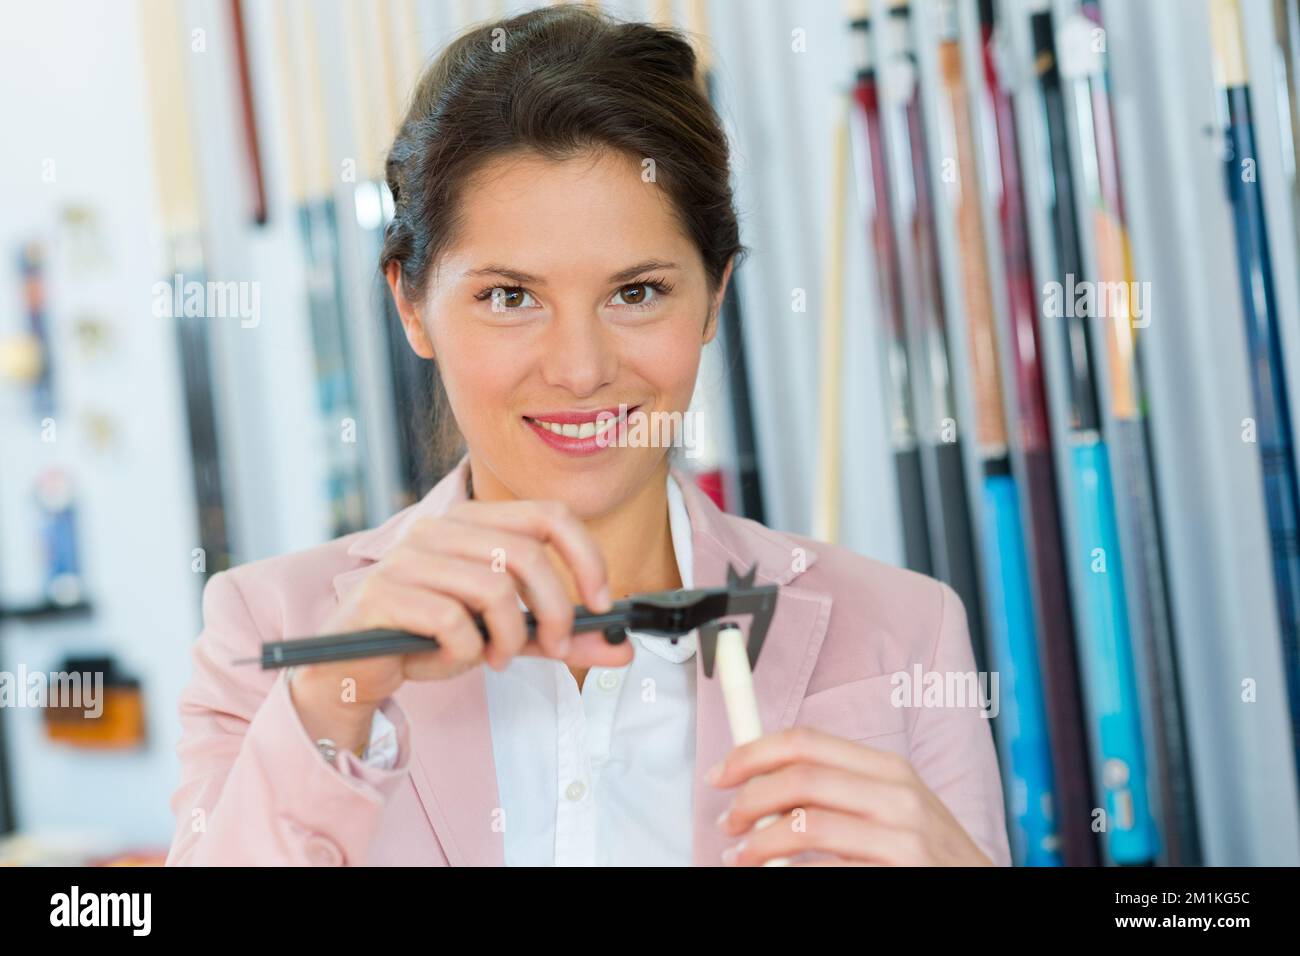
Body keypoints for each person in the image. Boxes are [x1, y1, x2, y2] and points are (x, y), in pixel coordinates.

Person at [166, 5, 1010, 867]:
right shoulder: (272, 632)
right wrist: (331, 703)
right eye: (509, 296)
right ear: (411, 304)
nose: (579, 369)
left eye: (636, 292)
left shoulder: (906, 632)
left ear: (716, 296)